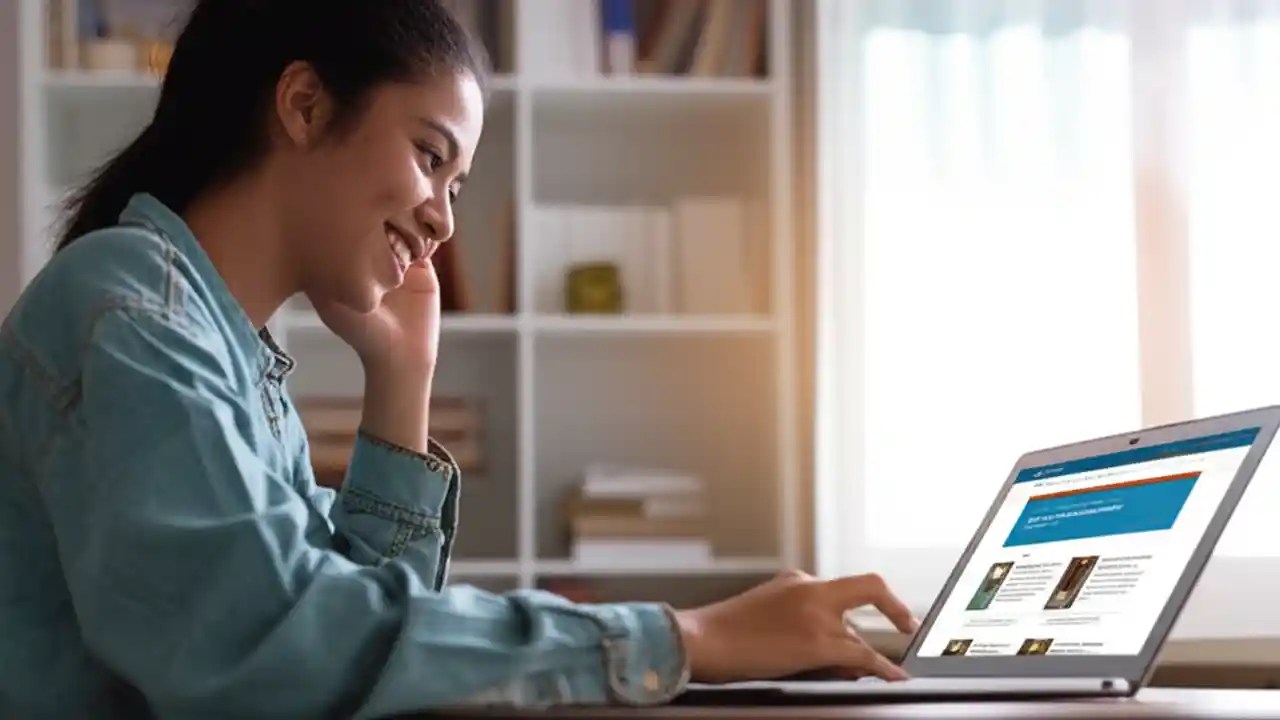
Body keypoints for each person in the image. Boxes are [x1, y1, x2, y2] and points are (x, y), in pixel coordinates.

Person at [0, 1, 919, 717]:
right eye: (429, 156)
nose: (443, 216)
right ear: (305, 105)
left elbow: (345, 645)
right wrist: (685, 637)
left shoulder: (228, 351)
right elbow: (271, 648)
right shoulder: (133, 310)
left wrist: (401, 382)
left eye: (458, 183)